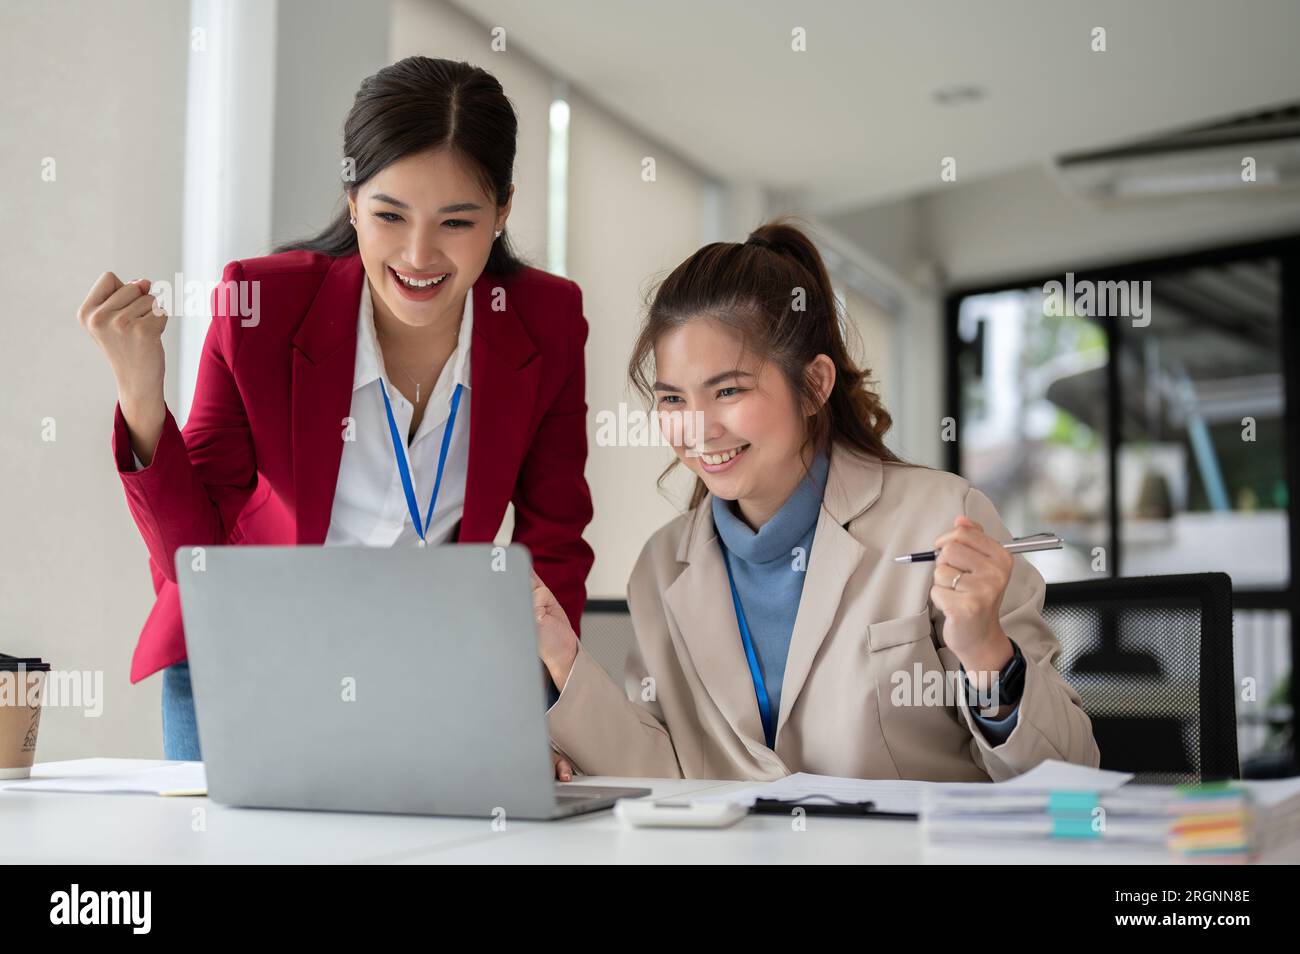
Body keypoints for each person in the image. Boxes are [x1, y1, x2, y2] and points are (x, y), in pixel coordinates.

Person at [78, 57, 593, 760]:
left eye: (457, 221)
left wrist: (537, 707)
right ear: (351, 200)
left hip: (426, 672)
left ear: (503, 211)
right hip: (243, 662)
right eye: (389, 215)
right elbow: (192, 559)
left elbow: (554, 540)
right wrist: (140, 393)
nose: (418, 255)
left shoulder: (546, 320)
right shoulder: (260, 309)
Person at [532, 220, 1099, 782]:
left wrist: (986, 654)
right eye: (674, 399)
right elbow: (664, 775)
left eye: (728, 390)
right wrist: (563, 658)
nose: (698, 429)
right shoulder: (660, 566)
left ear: (814, 386)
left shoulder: (942, 518)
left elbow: (1070, 773)